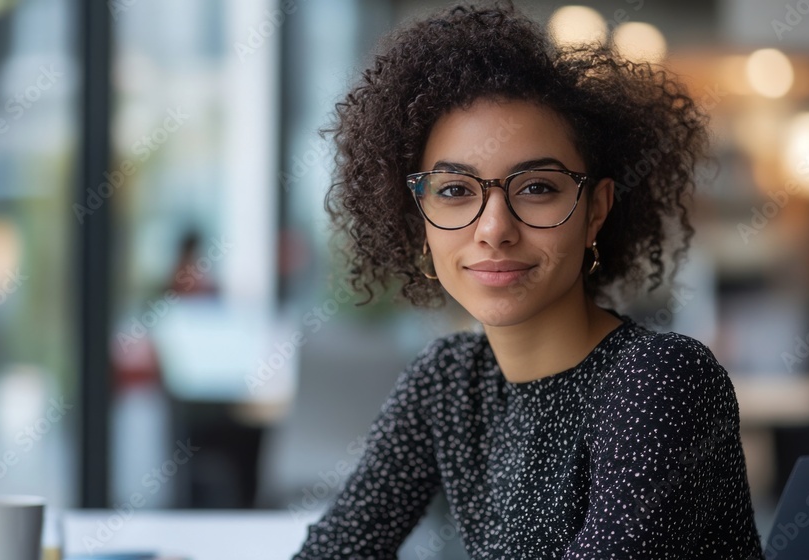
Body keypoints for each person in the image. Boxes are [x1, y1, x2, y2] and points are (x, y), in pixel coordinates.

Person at [293, 3, 762, 558]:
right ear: (416, 217)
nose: (494, 229)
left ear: (596, 211)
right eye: (454, 190)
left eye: (537, 188)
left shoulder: (659, 382)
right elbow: (337, 549)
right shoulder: (449, 383)